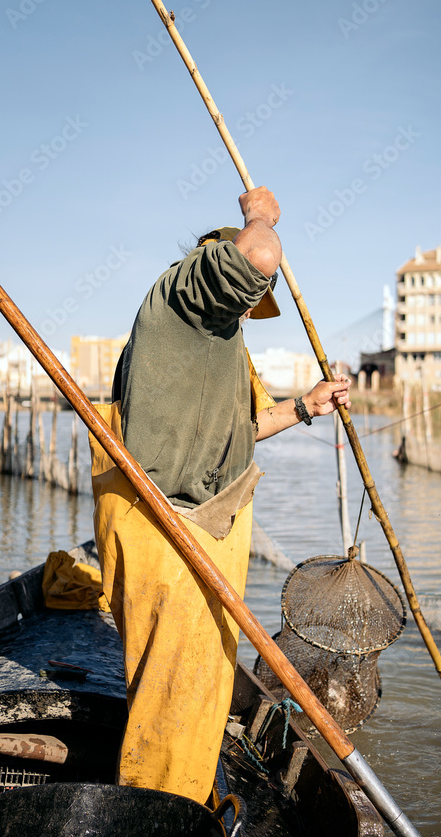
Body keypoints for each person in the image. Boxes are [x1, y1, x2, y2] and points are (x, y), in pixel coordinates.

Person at [89, 186, 350, 804]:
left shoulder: (217, 344)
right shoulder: (182, 299)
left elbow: (240, 430)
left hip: (204, 531)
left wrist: (305, 407)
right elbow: (260, 253)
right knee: (176, 692)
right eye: (246, 295)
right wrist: (260, 215)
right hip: (172, 532)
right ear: (214, 268)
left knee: (195, 685)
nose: (250, 306)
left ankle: (180, 793)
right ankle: (155, 814)